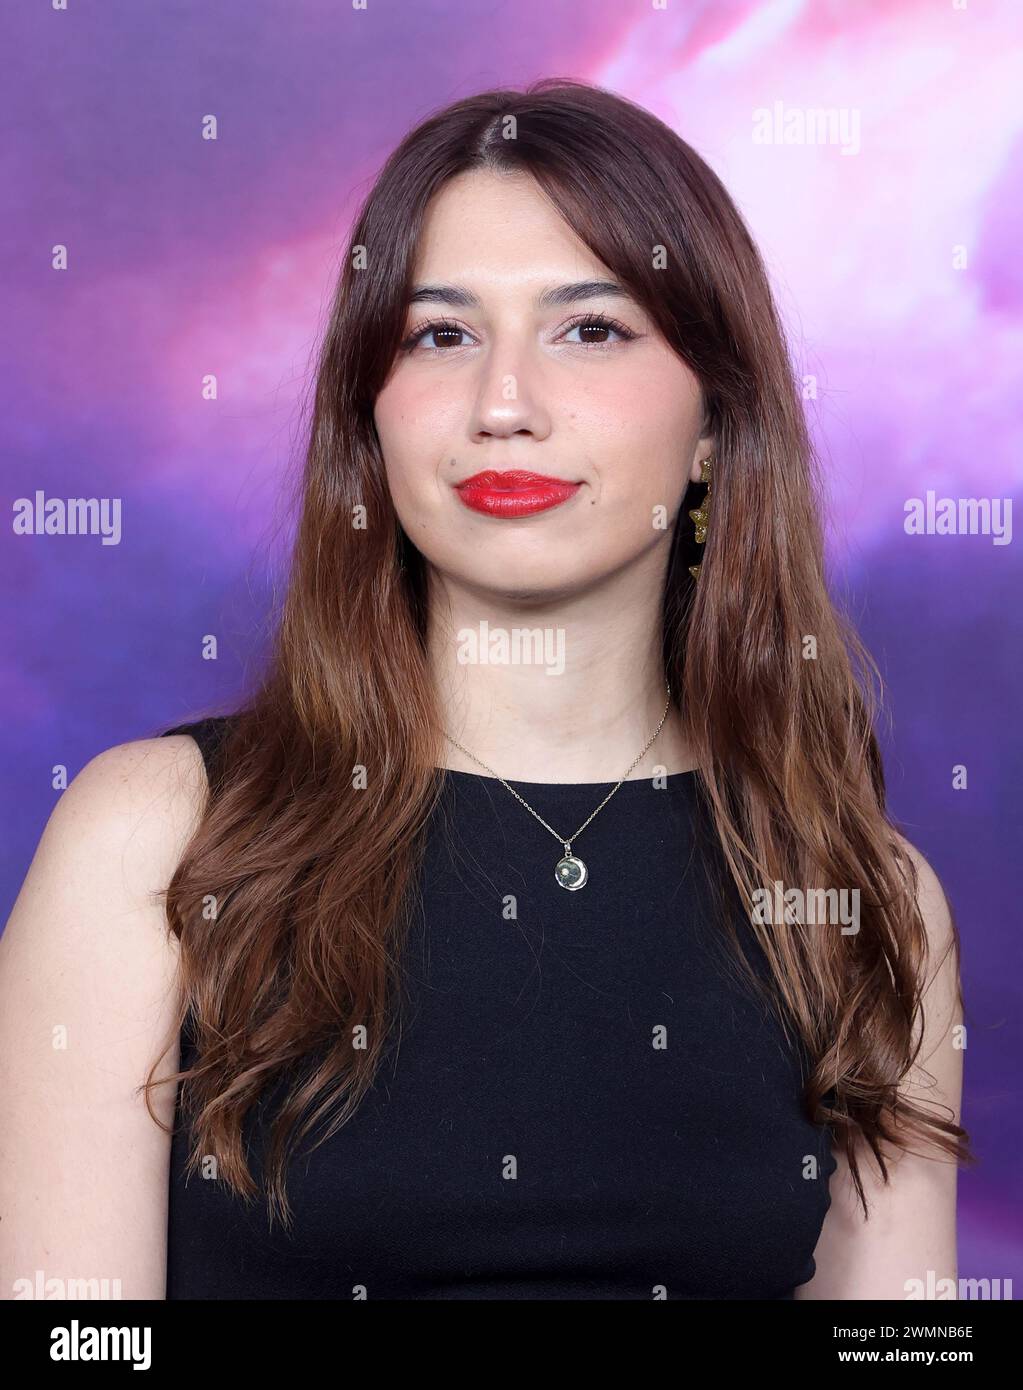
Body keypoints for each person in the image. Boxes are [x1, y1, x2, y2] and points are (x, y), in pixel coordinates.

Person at [0, 79, 969, 1301]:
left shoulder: (863, 894)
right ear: (374, 411)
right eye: (441, 335)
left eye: (590, 330)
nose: (503, 404)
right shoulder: (156, 835)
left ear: (718, 423)